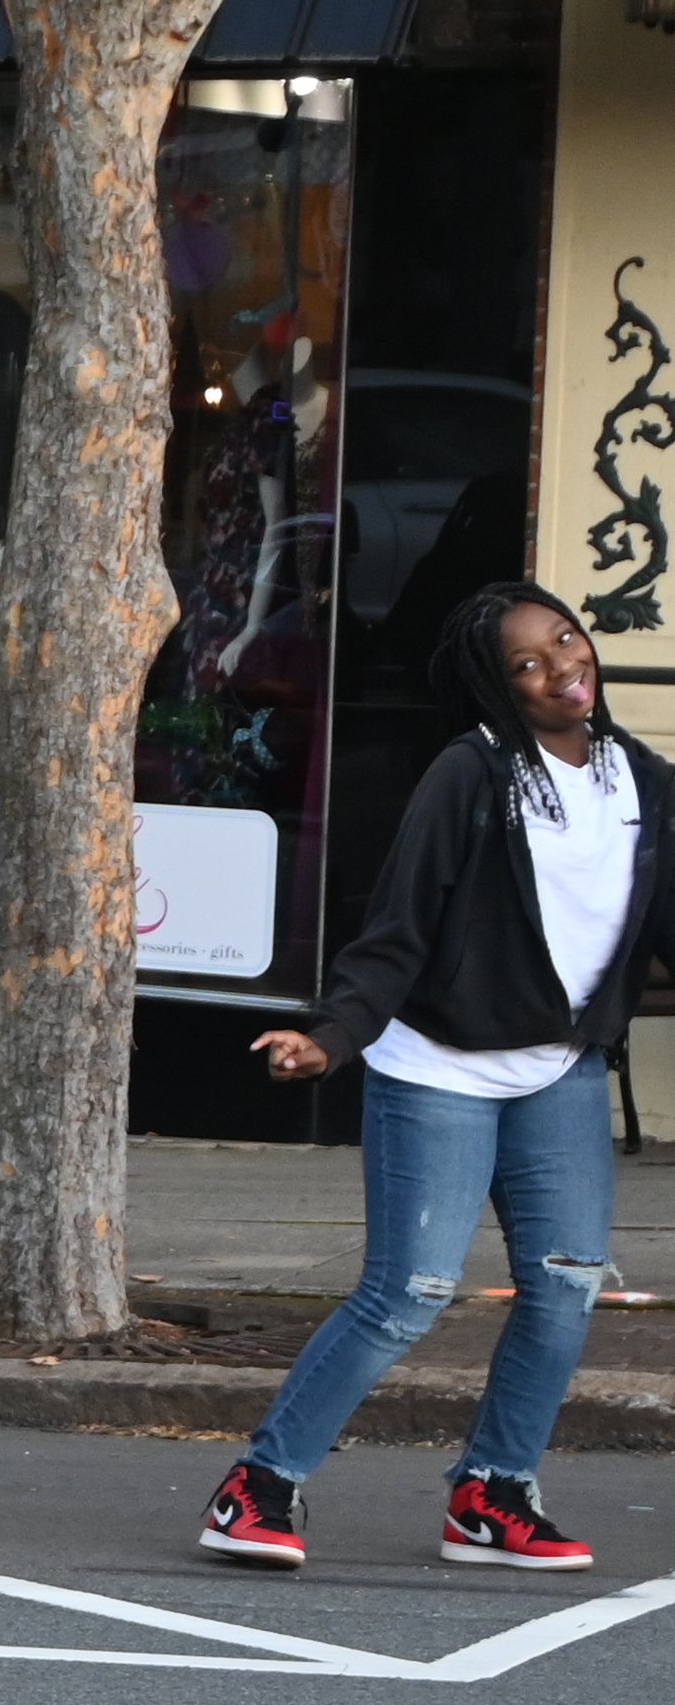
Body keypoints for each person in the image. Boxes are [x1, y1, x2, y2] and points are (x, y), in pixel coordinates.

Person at [199, 583, 675, 1571]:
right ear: (493, 688)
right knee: (409, 1290)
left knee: (566, 1284)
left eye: (564, 639)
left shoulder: (642, 782)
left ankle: (492, 1495)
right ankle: (260, 1484)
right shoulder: (471, 776)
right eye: (526, 664)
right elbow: (398, 926)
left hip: (556, 1069)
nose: (559, 666)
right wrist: (331, 1034)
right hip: (437, 1070)